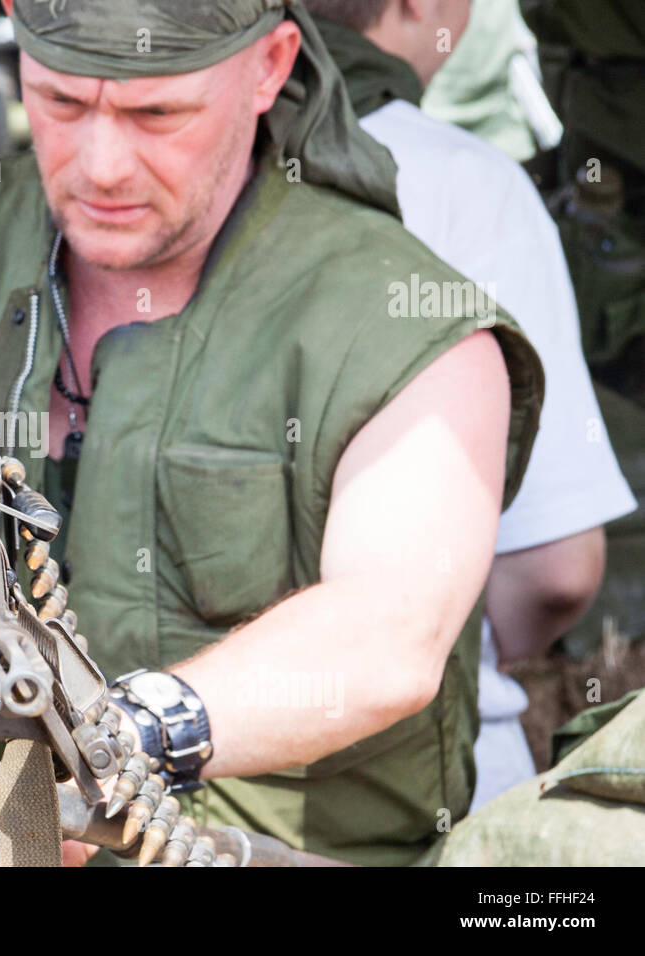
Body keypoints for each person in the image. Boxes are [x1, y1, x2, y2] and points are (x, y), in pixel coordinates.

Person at [0, 0, 544, 865]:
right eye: (62, 104)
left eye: (159, 113)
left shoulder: (397, 321)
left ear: (270, 66)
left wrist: (113, 741)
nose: (103, 164)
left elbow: (388, 636)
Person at [303, 0, 636, 811]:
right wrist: (466, 638)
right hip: (431, 782)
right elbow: (557, 568)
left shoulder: (108, 181)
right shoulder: (467, 183)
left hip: (131, 783)